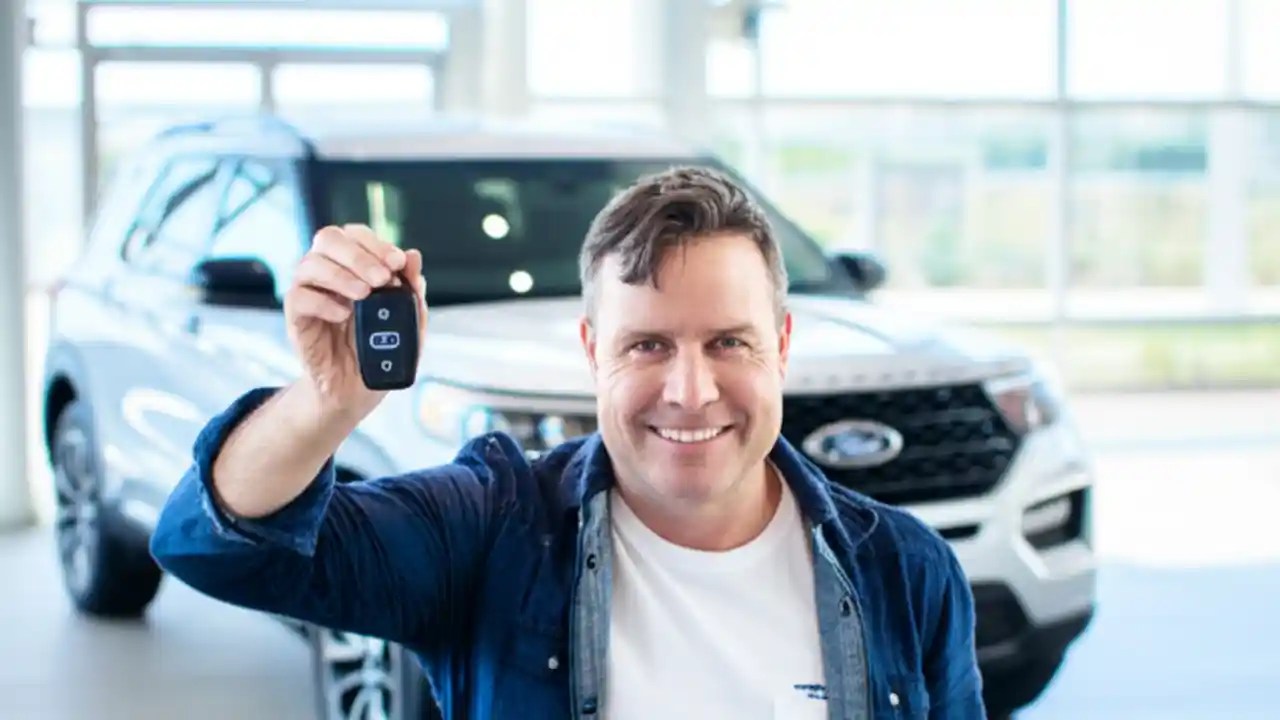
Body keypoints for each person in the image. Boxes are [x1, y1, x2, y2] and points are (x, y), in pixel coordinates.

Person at [150, 166, 985, 719]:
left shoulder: (905, 571)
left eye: (729, 342)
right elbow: (210, 546)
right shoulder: (496, 531)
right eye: (647, 345)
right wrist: (325, 404)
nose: (690, 391)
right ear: (592, 353)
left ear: (783, 345)